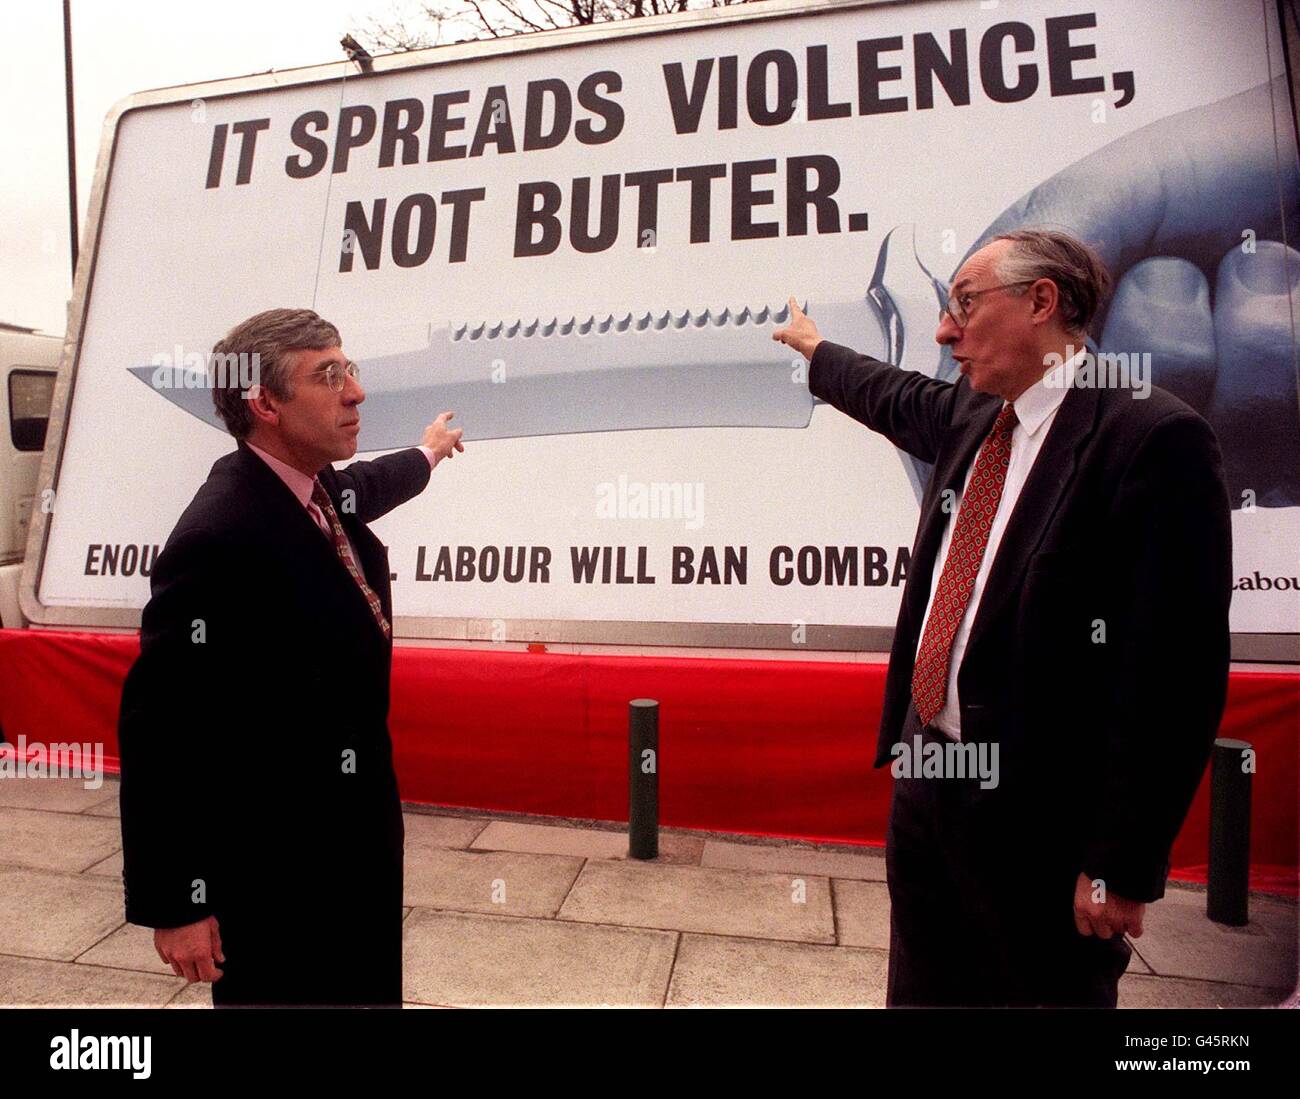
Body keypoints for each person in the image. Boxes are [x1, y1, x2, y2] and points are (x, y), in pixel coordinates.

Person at [773, 229, 1232, 1007]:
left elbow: (1173, 676)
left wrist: (1120, 863)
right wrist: (816, 350)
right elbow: (889, 393)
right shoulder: (976, 410)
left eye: (964, 305)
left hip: (1041, 827)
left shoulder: (1152, 439)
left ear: (1041, 302)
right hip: (930, 779)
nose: (946, 330)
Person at [117, 308, 464, 1008]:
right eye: (328, 375)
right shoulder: (221, 536)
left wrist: (428, 451)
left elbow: (376, 481)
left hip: (354, 851)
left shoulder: (316, 487)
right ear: (266, 402)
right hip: (277, 880)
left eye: (351, 369)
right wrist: (177, 902)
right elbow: (162, 726)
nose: (355, 392)